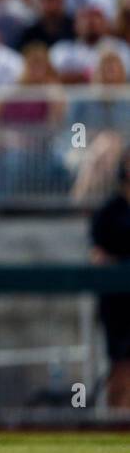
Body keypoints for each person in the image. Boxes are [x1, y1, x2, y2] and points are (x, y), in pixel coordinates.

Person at [90, 153, 130, 410]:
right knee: (121, 365)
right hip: (117, 303)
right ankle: (117, 422)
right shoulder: (109, 211)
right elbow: (98, 255)